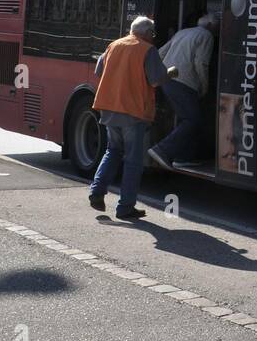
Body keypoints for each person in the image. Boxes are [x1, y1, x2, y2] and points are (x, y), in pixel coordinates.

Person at [89, 16, 172, 220]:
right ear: (146, 33)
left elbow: (99, 70)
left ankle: (97, 191)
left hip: (109, 108)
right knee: (133, 161)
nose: (153, 37)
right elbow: (156, 79)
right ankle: (125, 207)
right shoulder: (146, 49)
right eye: (152, 33)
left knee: (112, 151)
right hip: (133, 112)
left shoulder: (114, 45)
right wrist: (171, 72)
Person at [148, 12, 218, 167]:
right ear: (211, 26)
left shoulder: (183, 32)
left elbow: (160, 53)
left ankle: (182, 158)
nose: (218, 30)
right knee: (194, 119)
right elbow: (201, 64)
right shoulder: (207, 36)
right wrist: (204, 86)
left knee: (184, 118)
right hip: (185, 83)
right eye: (217, 26)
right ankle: (162, 149)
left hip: (167, 80)